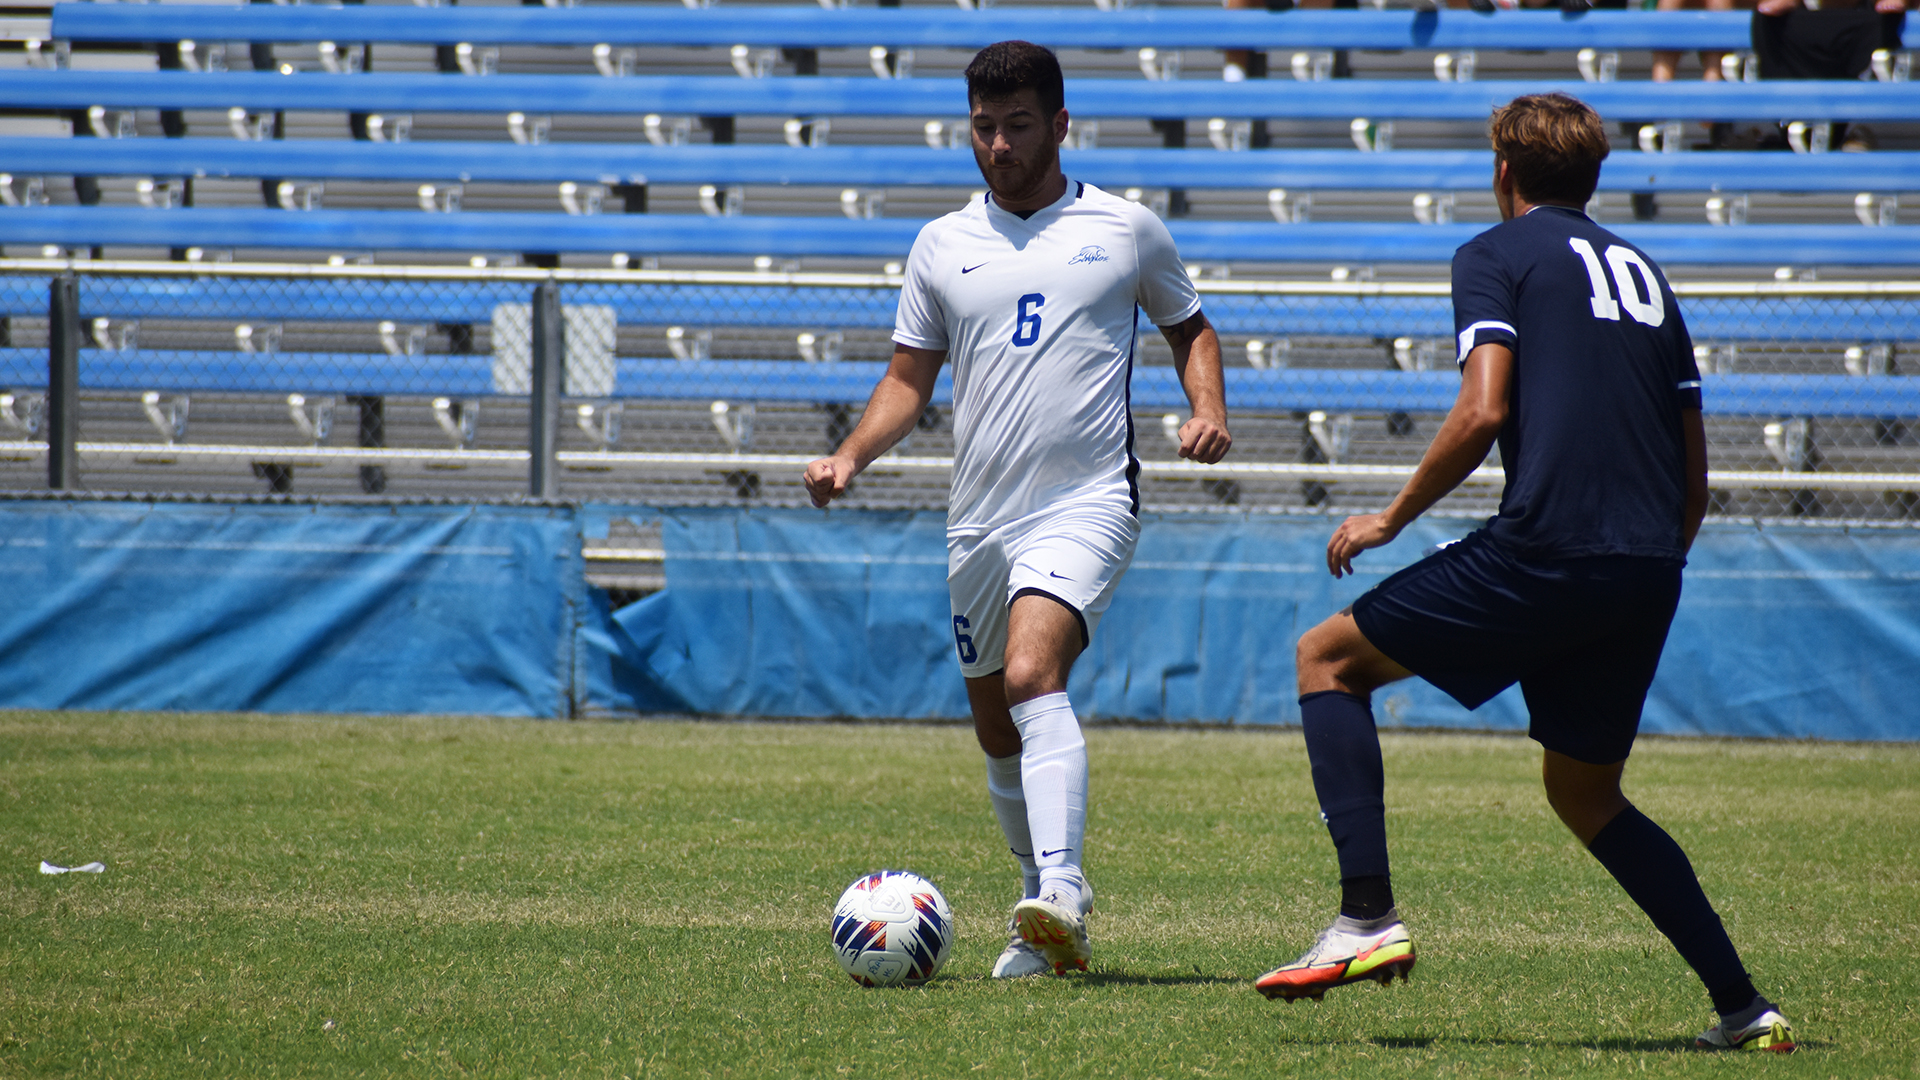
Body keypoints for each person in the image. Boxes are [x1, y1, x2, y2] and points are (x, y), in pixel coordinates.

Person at [1253, 92, 1796, 1055]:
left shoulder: (1493, 255)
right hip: (1647, 560)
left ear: (1502, 172)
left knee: (1326, 659)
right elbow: (1693, 460)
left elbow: (1482, 410)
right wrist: (1647, 561)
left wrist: (1389, 517)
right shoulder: (1646, 271)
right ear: (1592, 179)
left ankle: (1367, 919)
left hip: (1549, 546)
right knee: (1586, 795)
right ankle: (1744, 1008)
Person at [803, 41, 1231, 978]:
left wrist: (1207, 409)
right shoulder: (942, 244)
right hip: (979, 520)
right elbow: (907, 379)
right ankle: (1044, 926)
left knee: (1035, 677)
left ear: (1061, 124)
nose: (998, 145)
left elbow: (1189, 327)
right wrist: (850, 454)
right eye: (983, 128)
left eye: (1018, 126)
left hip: (1087, 501)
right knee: (998, 727)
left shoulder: (1126, 229)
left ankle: (1063, 887)